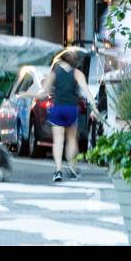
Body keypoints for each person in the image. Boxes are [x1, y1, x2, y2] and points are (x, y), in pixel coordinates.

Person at [40, 47, 95, 183]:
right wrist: (95, 107)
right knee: (71, 140)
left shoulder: (54, 72)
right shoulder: (77, 73)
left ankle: (58, 170)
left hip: (57, 108)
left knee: (58, 141)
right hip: (71, 109)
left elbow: (44, 92)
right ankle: (72, 165)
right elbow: (87, 92)